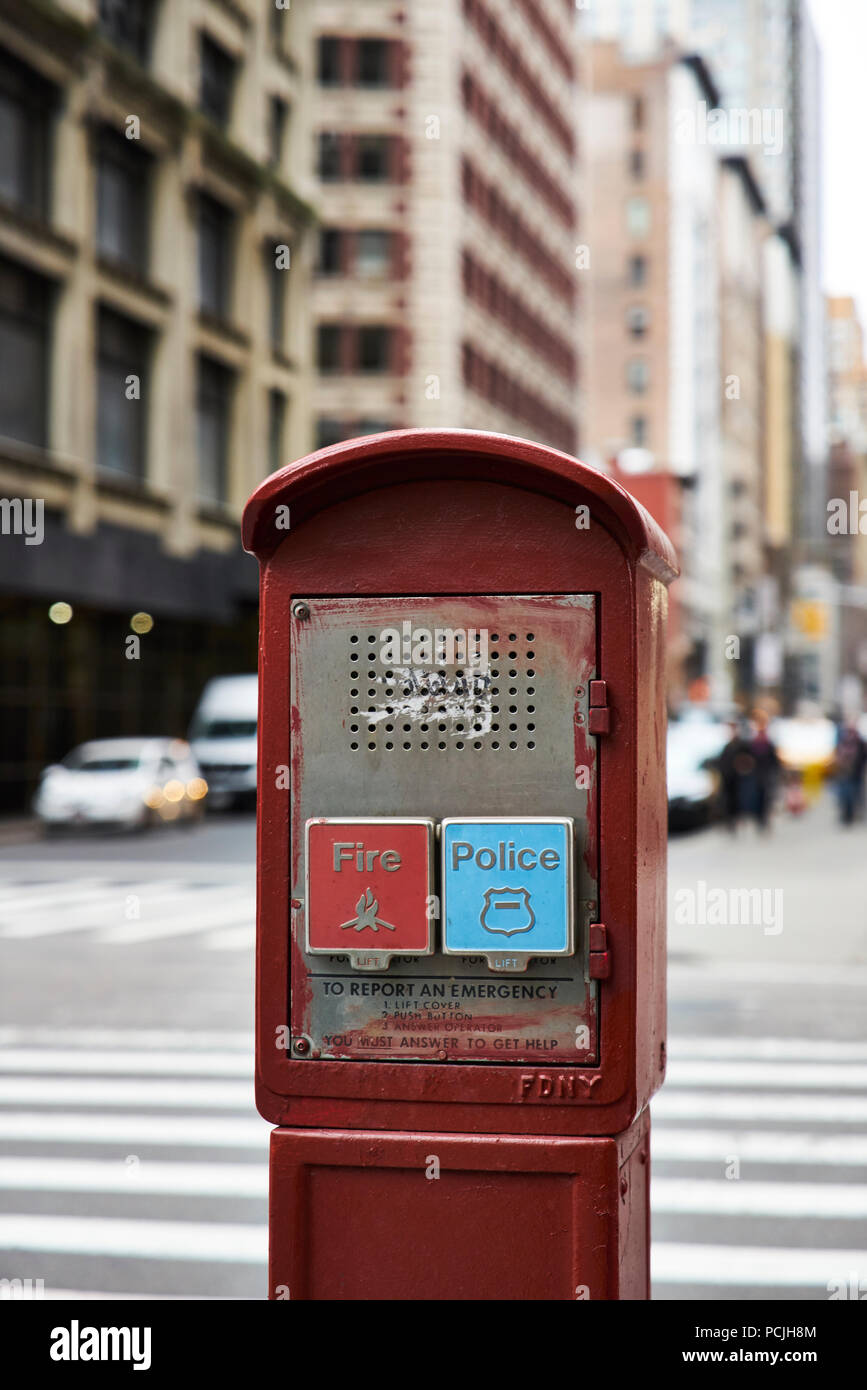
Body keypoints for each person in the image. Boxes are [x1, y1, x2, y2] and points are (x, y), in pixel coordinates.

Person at [739, 709, 781, 832]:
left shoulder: (768, 742)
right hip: (755, 775)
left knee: (766, 799)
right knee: (755, 798)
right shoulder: (752, 741)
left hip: (766, 775)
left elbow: (774, 761)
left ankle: (764, 820)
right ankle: (758, 820)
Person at [716, 720, 749, 832]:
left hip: (739, 779)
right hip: (727, 778)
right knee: (728, 800)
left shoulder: (741, 745)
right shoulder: (727, 747)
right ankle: (730, 821)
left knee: (738, 800)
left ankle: (737, 819)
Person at [833, 719, 867, 826]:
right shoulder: (849, 739)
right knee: (848, 792)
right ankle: (848, 814)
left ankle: (849, 814)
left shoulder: (857, 740)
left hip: (853, 771)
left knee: (850, 792)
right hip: (848, 771)